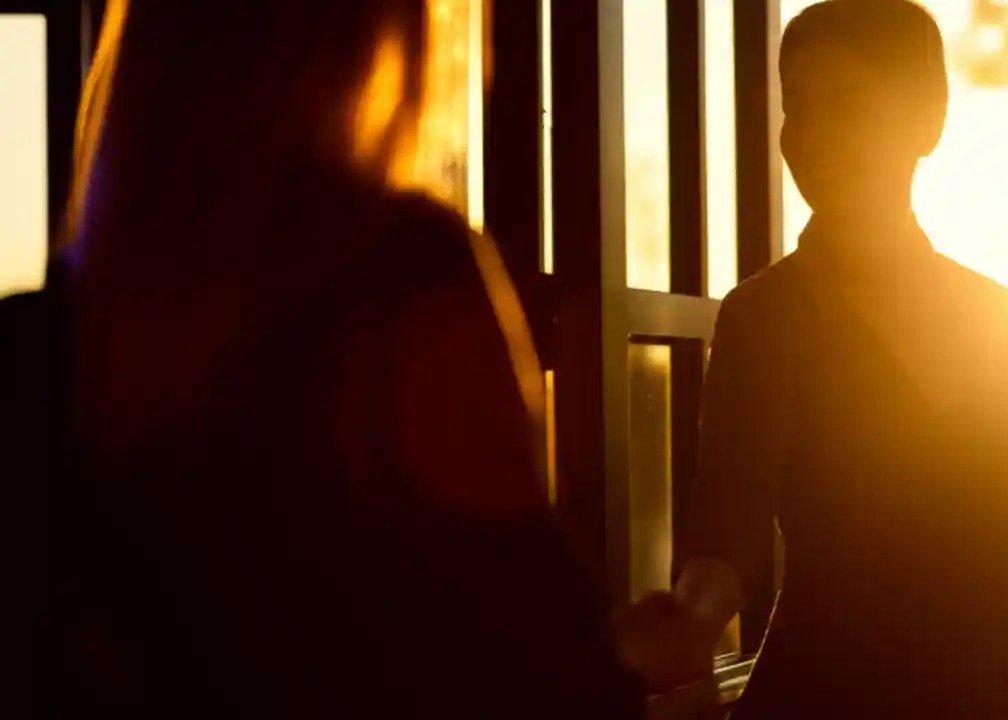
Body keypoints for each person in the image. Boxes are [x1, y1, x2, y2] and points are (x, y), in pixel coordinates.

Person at [25, 1, 645, 716]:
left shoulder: (41, 341)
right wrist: (628, 655)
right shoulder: (403, 279)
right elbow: (544, 644)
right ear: (377, 38)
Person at [631, 1, 1008, 716]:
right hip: (824, 694)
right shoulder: (765, 317)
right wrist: (689, 620)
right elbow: (727, 528)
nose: (813, 137)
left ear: (928, 121)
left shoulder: (998, 320)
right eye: (798, 107)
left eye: (847, 105)